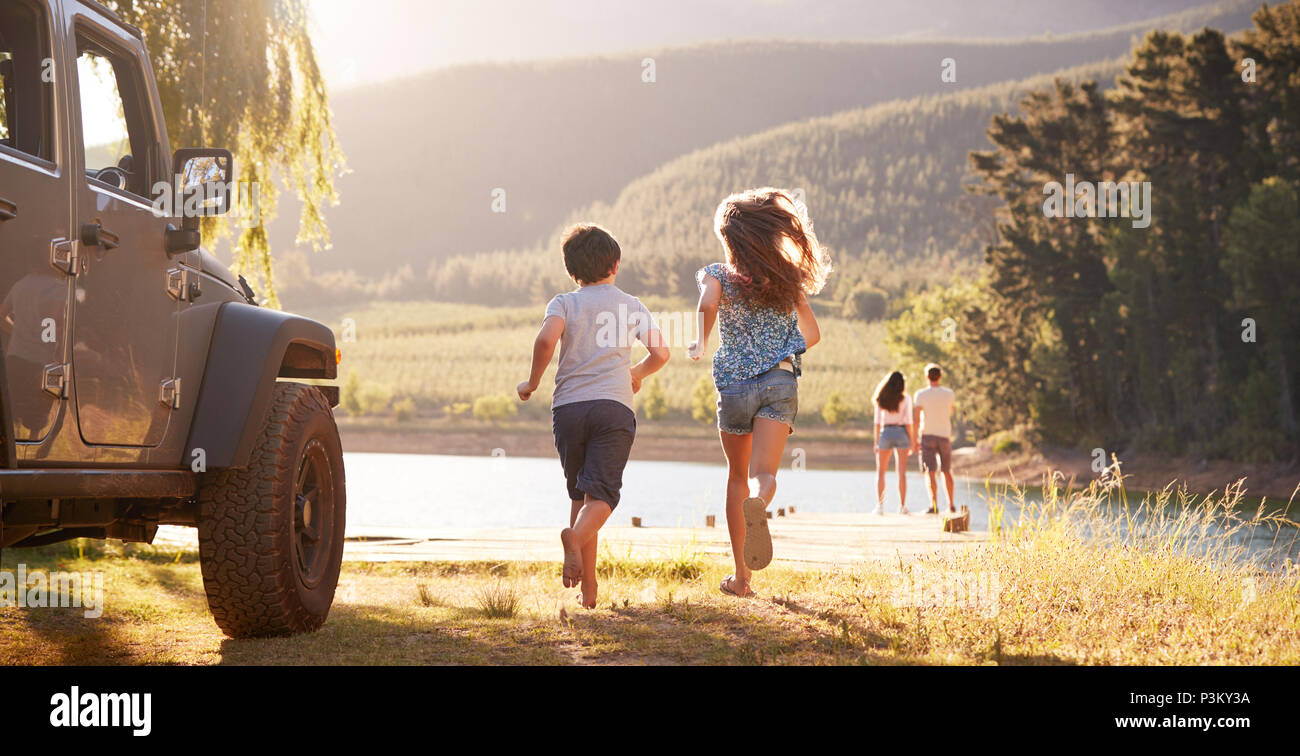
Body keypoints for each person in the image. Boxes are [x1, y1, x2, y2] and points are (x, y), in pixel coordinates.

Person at [517, 224, 670, 609]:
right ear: (615, 264)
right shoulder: (632, 305)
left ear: (572, 271)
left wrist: (532, 381)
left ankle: (587, 589)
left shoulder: (564, 303)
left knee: (581, 494)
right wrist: (636, 374)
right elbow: (662, 354)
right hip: (612, 408)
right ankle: (573, 540)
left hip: (568, 409)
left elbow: (545, 341)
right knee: (601, 496)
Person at [688, 187, 831, 598]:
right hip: (779, 382)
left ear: (729, 239)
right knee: (762, 475)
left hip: (734, 384)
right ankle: (761, 502)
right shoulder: (785, 280)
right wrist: (784, 349)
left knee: (736, 475)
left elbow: (707, 304)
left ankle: (742, 579)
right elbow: (813, 334)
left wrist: (700, 342)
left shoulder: (717, 274)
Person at [912, 363, 957, 513]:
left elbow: (917, 419)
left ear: (926, 377)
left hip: (927, 435)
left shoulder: (920, 395)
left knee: (930, 471)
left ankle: (934, 505)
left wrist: (914, 440)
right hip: (944, 435)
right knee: (946, 470)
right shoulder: (949, 394)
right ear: (940, 376)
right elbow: (951, 411)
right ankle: (950, 504)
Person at [872, 370, 915, 515]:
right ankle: (902, 507)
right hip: (902, 433)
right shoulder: (906, 399)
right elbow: (909, 422)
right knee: (901, 473)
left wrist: (876, 442)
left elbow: (877, 423)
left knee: (881, 473)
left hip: (886, 433)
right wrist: (912, 441)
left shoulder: (880, 398)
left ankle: (880, 507)